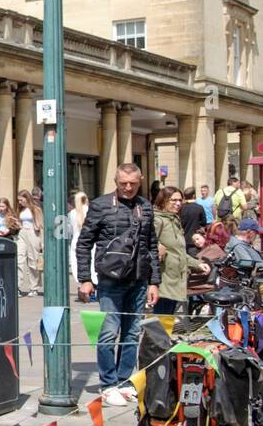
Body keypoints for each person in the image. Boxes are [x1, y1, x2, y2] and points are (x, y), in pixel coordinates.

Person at [76, 163, 161, 408]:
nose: (127, 187)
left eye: (133, 183)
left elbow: (151, 245)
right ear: (116, 180)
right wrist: (85, 279)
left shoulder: (145, 206)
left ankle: (124, 382)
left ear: (140, 180)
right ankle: (108, 384)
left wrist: (154, 281)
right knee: (108, 332)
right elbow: (84, 243)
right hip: (110, 280)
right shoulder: (101, 205)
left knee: (132, 333)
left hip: (138, 279)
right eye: (123, 183)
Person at [152, 187, 208, 318]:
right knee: (160, 318)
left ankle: (163, 338)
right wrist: (156, 245)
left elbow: (179, 252)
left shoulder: (174, 219)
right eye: (173, 200)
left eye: (180, 200)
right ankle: (157, 339)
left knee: (167, 317)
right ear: (163, 201)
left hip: (175, 278)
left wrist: (197, 264)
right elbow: (145, 242)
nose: (178, 204)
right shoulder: (158, 220)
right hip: (163, 279)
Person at [178, 184, 209, 254]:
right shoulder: (199, 207)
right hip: (195, 240)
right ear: (194, 196)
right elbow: (204, 223)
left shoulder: (180, 208)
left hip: (183, 239)